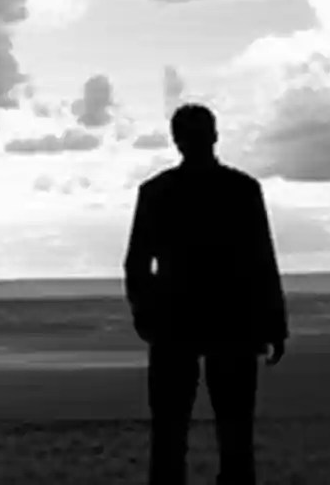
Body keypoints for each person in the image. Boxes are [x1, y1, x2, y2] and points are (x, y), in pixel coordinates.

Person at [124, 103, 289, 485]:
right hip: (229, 321)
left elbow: (135, 264)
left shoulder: (157, 191)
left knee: (170, 434)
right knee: (232, 434)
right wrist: (274, 324)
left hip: (177, 323)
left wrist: (145, 314)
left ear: (176, 140)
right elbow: (262, 261)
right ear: (214, 135)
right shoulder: (241, 190)